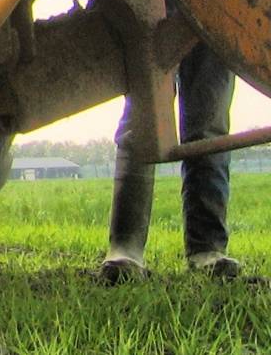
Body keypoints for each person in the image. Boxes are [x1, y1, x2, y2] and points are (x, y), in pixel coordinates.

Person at [99, 39, 241, 282]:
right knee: (143, 117)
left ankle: (207, 247)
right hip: (159, 9)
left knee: (209, 121)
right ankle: (126, 246)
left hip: (219, 10)